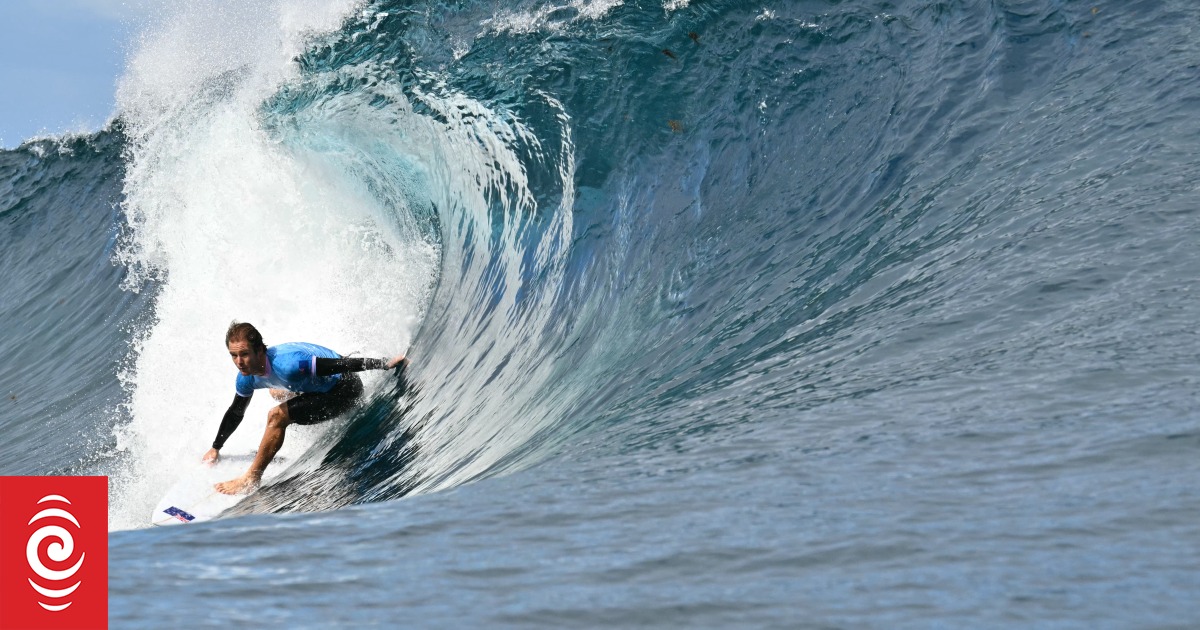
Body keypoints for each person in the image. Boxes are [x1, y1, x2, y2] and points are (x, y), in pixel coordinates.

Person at [205, 321, 407, 494]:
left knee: (276, 416)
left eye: (244, 354)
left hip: (344, 389)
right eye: (234, 355)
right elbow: (236, 411)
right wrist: (216, 447)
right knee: (276, 392)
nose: (239, 362)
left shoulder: (289, 365)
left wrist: (383, 364)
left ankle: (252, 477)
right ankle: (302, 390)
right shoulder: (246, 377)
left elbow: (339, 365)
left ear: (259, 350)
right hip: (317, 387)